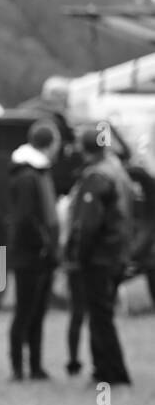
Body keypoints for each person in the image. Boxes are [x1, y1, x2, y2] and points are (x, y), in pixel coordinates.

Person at [65, 124, 133, 386]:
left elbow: (88, 225)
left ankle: (111, 372)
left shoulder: (96, 177)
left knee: (101, 317)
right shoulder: (117, 170)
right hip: (117, 254)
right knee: (104, 315)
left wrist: (79, 256)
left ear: (84, 149)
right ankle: (107, 370)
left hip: (99, 258)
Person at [7, 121, 60, 380]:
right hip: (30, 253)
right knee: (25, 311)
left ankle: (36, 366)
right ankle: (19, 367)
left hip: (39, 253)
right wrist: (43, 244)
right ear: (50, 145)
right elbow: (27, 217)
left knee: (37, 312)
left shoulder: (35, 172)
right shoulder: (29, 176)